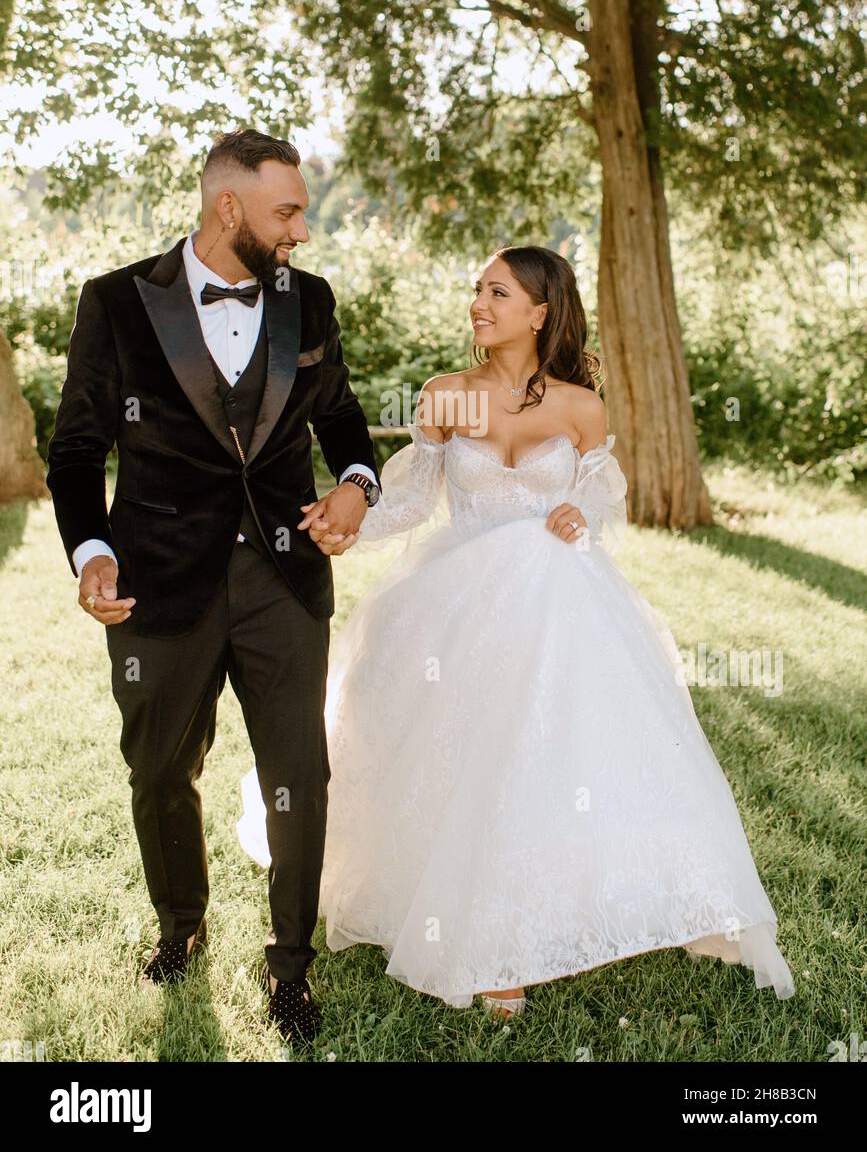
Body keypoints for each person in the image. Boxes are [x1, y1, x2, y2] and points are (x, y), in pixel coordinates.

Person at [237, 243, 796, 1018]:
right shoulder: (448, 396)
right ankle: (477, 931)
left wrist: (579, 513)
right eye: (476, 289)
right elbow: (412, 501)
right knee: (466, 756)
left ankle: (556, 915)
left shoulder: (577, 405)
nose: (478, 303)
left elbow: (603, 494)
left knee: (548, 759)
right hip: (455, 607)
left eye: (496, 292)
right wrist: (346, 523)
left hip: (557, 602)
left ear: (539, 312)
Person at [46, 128, 382, 1046]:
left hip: (285, 577)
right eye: (287, 211)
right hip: (156, 582)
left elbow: (344, 420)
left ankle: (290, 968)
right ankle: (179, 924)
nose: (301, 231)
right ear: (227, 207)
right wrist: (90, 552)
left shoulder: (306, 302)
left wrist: (356, 486)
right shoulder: (116, 303)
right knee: (158, 770)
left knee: (299, 778)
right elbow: (76, 448)